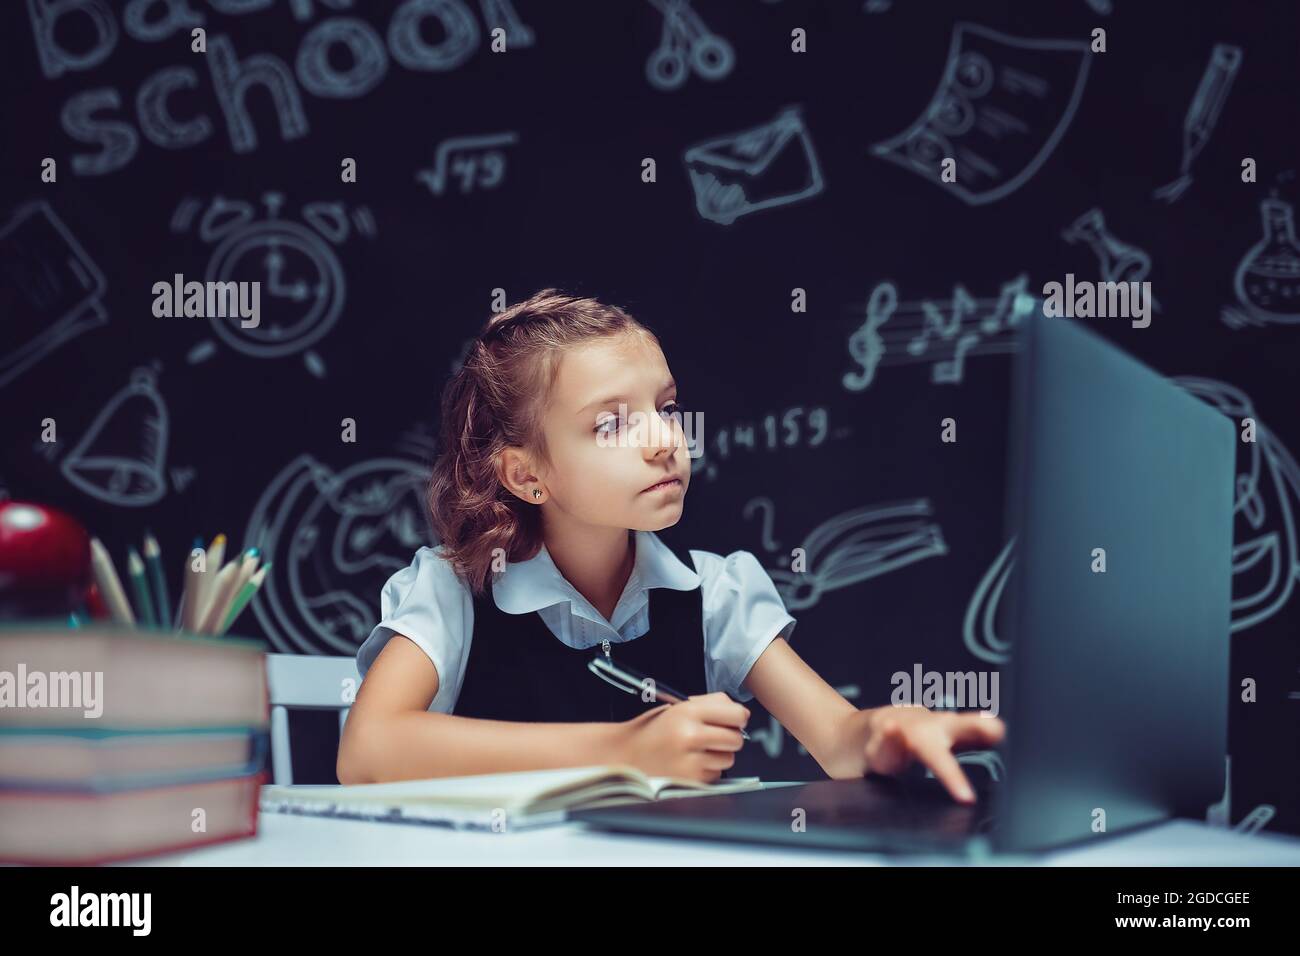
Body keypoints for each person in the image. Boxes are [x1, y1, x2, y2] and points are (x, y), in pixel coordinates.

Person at [337, 289, 1004, 802]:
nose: (664, 440)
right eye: (611, 423)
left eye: (666, 407)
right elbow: (367, 750)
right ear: (526, 475)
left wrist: (885, 735)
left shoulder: (717, 593)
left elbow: (839, 742)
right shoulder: (453, 590)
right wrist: (624, 748)